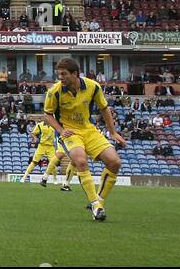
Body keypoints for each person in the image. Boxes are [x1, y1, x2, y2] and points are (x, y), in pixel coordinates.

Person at [42, 57, 126, 221]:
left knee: (115, 162)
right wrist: (60, 130)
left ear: (75, 74)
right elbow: (48, 114)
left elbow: (104, 108)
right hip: (70, 133)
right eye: (59, 75)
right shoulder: (54, 92)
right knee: (80, 161)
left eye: (64, 74)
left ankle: (99, 201)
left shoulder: (92, 86)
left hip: (89, 130)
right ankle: (96, 205)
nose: (60, 78)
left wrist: (113, 132)